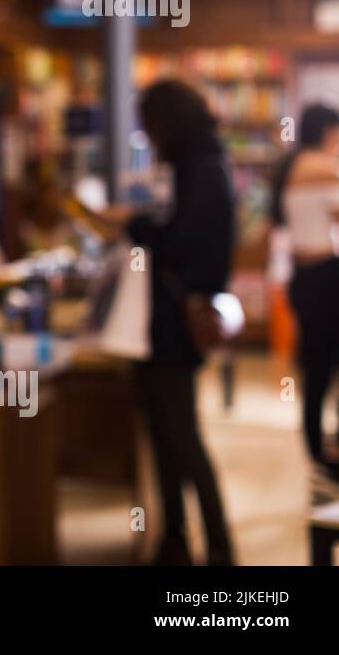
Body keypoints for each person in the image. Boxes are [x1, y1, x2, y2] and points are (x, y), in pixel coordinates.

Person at [122, 79, 236, 566]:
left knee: (182, 434)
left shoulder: (203, 167)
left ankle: (218, 545)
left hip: (175, 319)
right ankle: (174, 538)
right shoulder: (191, 164)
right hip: (161, 318)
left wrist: (136, 224)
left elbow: (184, 240)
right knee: (162, 433)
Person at [270, 102, 339, 494]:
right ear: (328, 130)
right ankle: (324, 456)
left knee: (315, 369)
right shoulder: (322, 166)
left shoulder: (292, 167)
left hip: (304, 278)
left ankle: (316, 452)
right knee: (324, 369)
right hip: (326, 278)